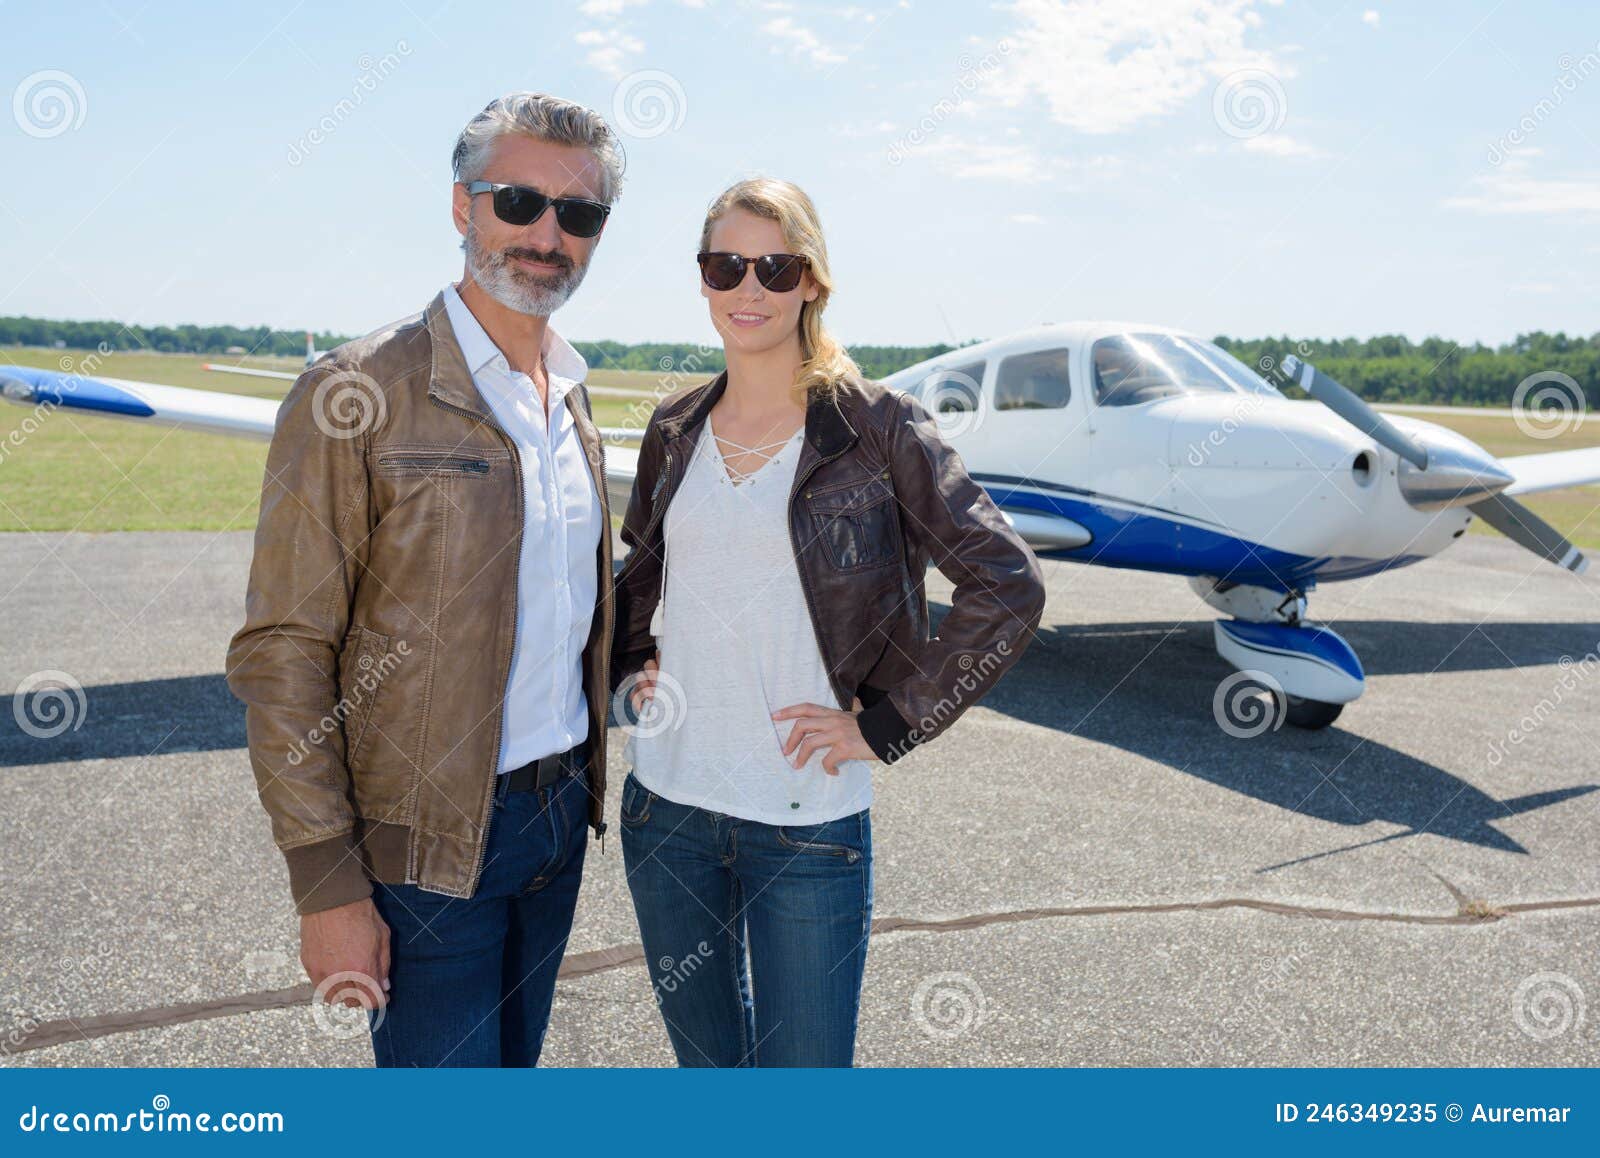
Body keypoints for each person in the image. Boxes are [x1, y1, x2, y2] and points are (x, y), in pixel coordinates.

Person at [611, 177, 1046, 1067]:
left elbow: (1006, 583)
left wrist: (885, 724)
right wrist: (625, 677)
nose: (750, 288)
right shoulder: (676, 427)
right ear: (702, 278)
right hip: (667, 812)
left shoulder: (878, 427)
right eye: (726, 264)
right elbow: (641, 576)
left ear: (813, 281)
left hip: (806, 826)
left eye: (776, 266)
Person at [225, 92, 622, 1067]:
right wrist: (327, 885)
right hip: (427, 846)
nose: (546, 234)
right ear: (461, 208)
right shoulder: (355, 389)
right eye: (518, 201)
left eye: (578, 214)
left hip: (557, 821)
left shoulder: (572, 401)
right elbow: (284, 651)